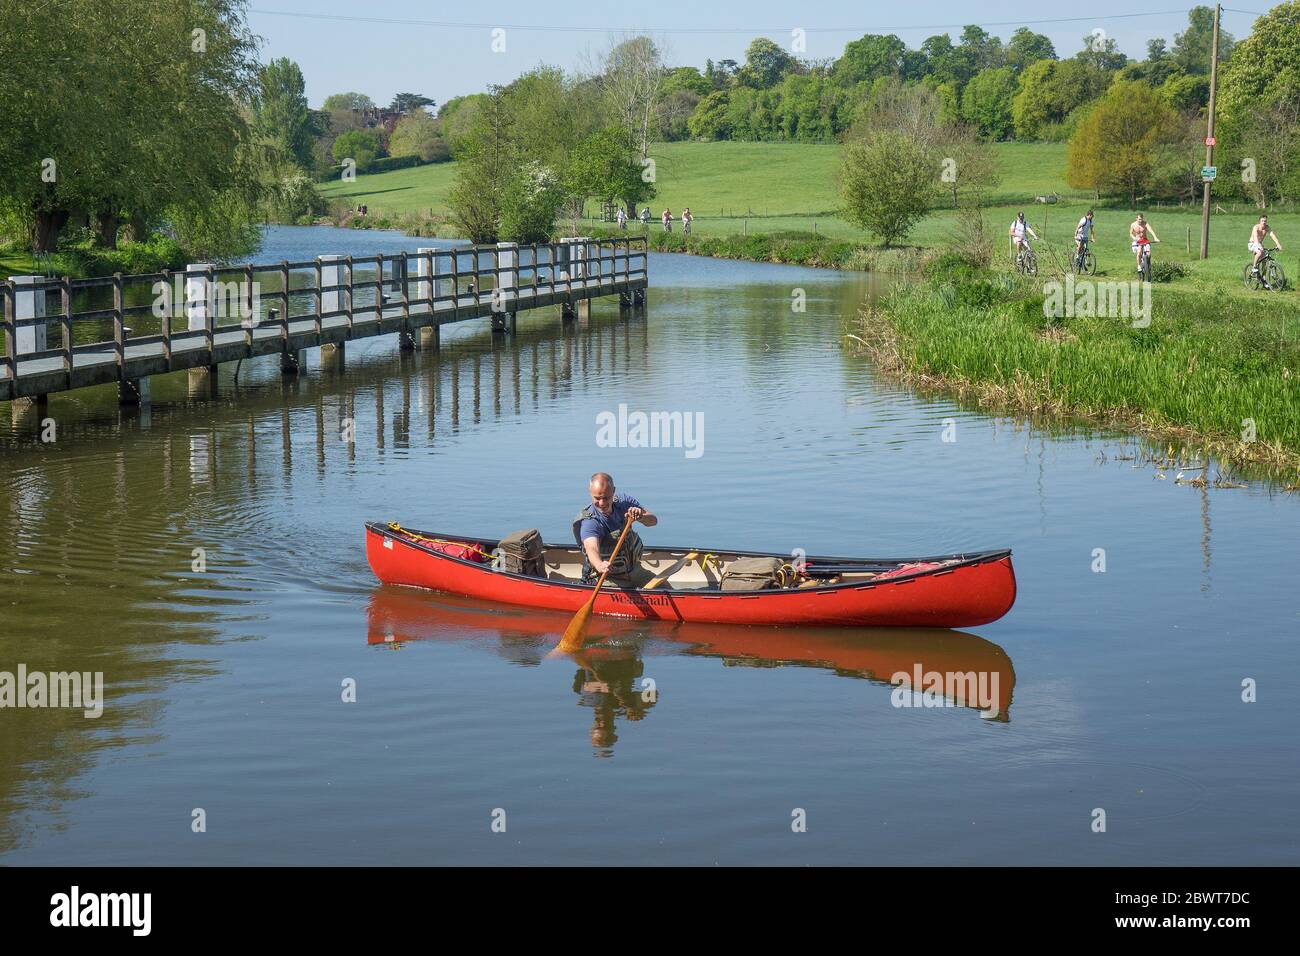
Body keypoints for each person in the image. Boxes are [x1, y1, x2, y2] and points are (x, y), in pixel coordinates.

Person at [573, 472, 657, 583]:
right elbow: (591, 548)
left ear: (613, 491)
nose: (602, 503)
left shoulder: (624, 502)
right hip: (607, 577)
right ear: (590, 492)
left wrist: (640, 516)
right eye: (597, 498)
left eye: (606, 498)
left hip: (633, 570)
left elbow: (653, 521)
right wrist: (599, 564)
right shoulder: (590, 521)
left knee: (665, 588)